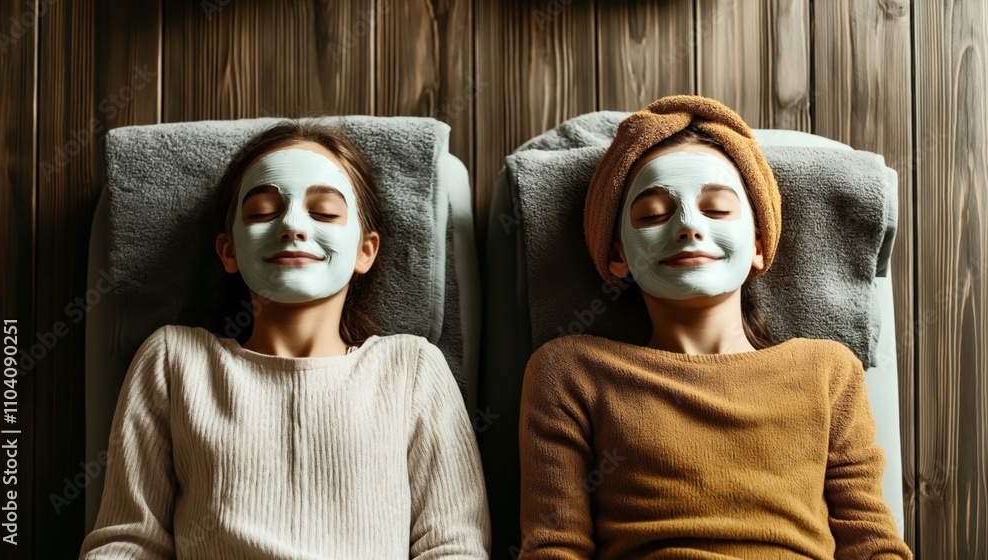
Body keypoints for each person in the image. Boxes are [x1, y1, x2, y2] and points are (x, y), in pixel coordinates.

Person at [517, 96, 912, 559]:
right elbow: (554, 548)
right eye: (652, 214)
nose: (687, 226)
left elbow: (873, 545)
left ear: (759, 244)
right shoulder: (570, 372)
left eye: (718, 210)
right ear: (618, 254)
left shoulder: (827, 371)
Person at [81, 121, 491, 559]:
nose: (292, 225)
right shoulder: (174, 361)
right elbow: (129, 541)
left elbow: (453, 546)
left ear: (364, 250)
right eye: (262, 212)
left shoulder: (412, 369)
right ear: (229, 250)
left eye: (325, 212)